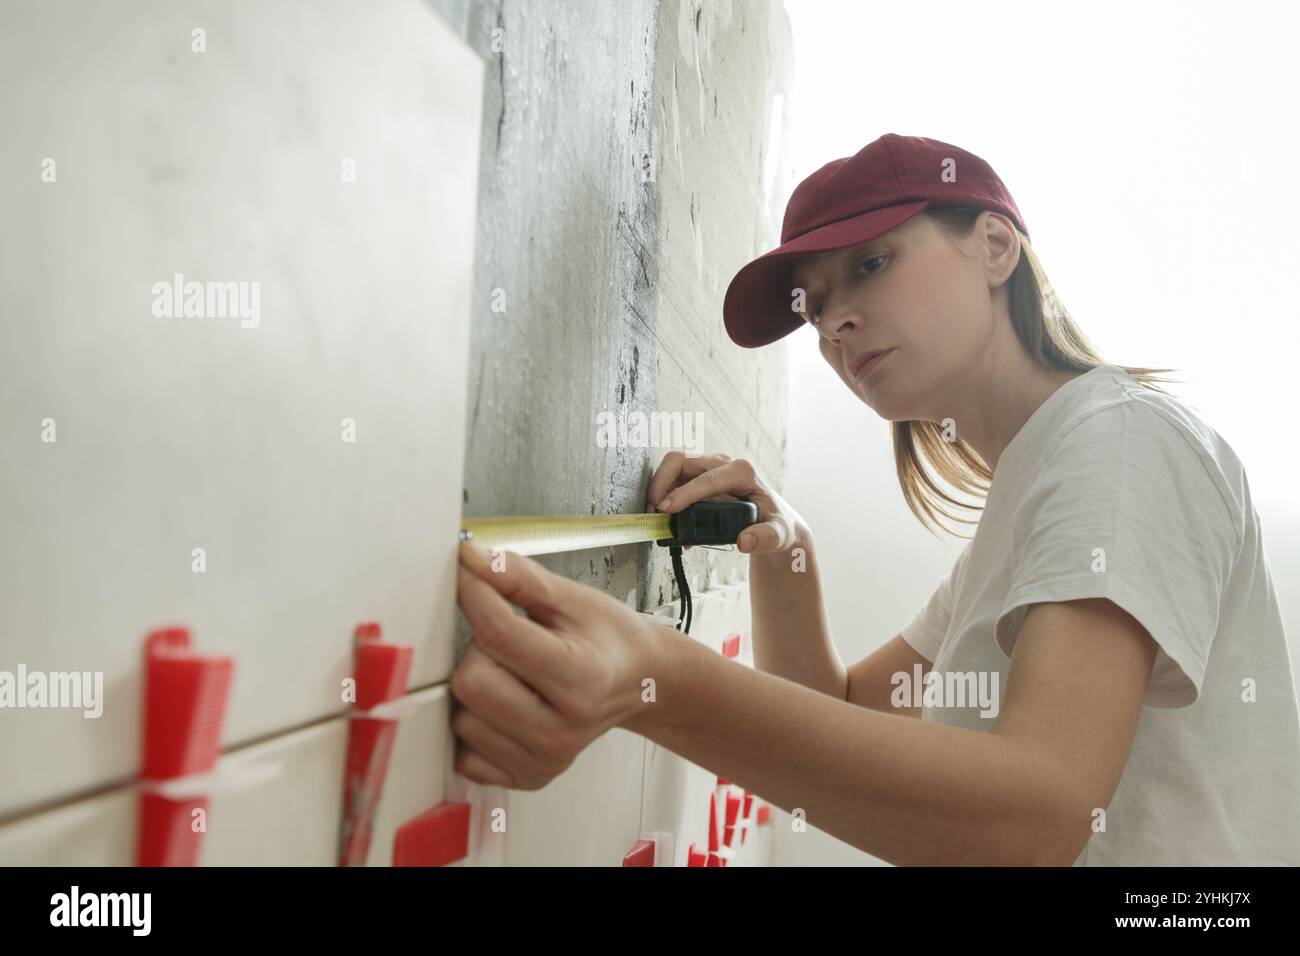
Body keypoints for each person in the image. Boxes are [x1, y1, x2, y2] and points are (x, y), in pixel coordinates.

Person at [453, 133, 1300, 865]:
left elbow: (1041, 819)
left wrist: (657, 682)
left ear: (995, 246)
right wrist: (787, 551)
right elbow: (841, 724)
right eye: (814, 306)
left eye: (870, 265)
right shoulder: (1038, 491)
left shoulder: (1118, 445)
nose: (834, 323)